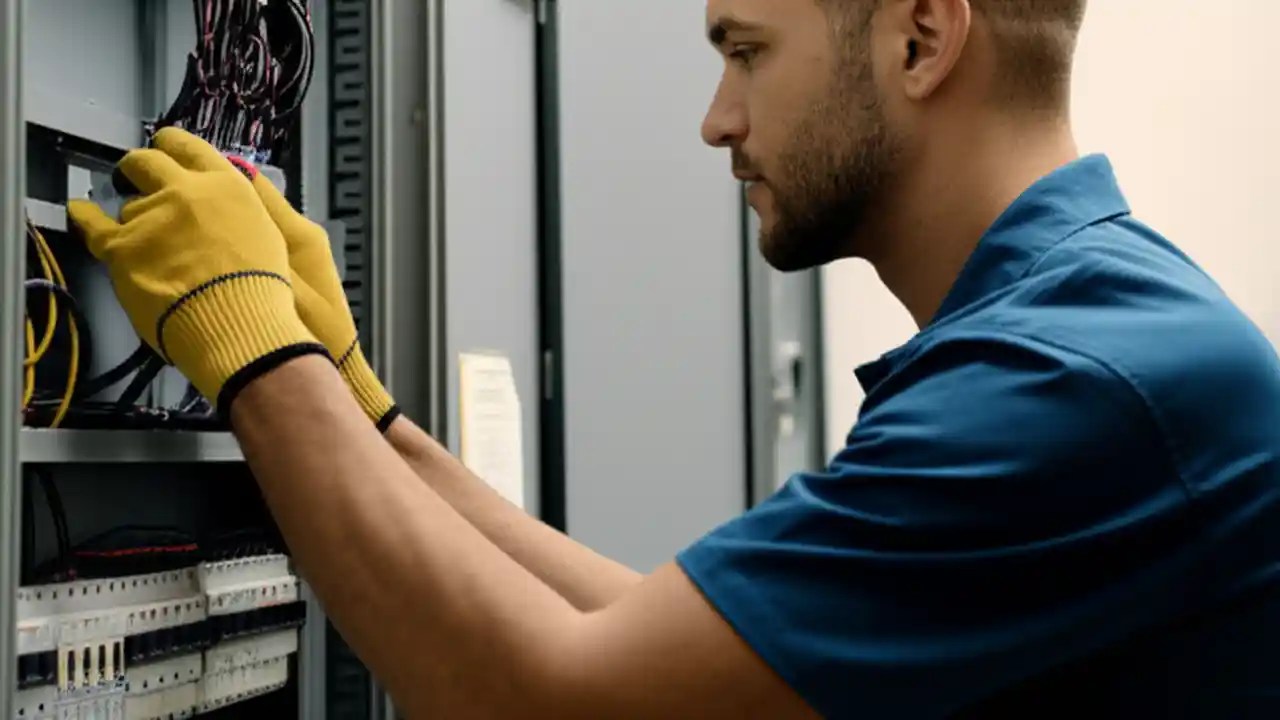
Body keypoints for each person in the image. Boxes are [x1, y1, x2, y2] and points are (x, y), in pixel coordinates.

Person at [66, 0, 1280, 716]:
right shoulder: (1078, 339)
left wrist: (256, 350)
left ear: (920, 35)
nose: (717, 117)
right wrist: (364, 409)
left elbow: (559, 702)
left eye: (744, 49)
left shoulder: (1071, 387)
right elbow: (647, 632)